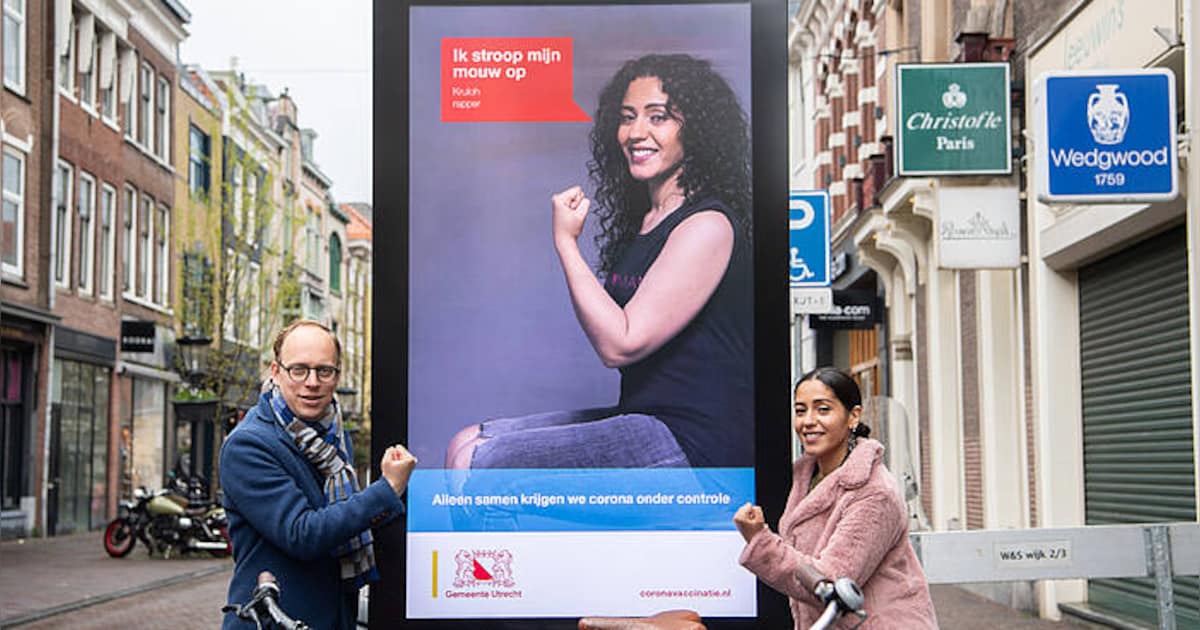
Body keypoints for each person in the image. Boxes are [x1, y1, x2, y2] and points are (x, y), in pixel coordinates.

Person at [446, 53, 753, 470]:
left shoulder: (707, 226)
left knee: (481, 462)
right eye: (628, 117)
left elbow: (620, 343)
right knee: (464, 442)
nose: (635, 132)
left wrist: (565, 243)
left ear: (696, 130)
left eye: (658, 117)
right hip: (644, 421)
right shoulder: (646, 221)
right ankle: (486, 540)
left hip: (694, 446)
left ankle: (489, 540)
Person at [220, 320, 418, 629]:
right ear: (276, 371)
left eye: (324, 371)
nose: (312, 382)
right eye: (298, 370)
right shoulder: (248, 445)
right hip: (276, 621)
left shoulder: (334, 434)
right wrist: (386, 490)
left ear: (337, 375)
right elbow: (302, 533)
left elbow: (346, 522)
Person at [733, 367, 937, 629]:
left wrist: (760, 540)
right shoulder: (805, 476)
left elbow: (829, 585)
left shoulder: (874, 493)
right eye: (800, 410)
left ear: (853, 416)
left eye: (823, 409)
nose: (808, 421)